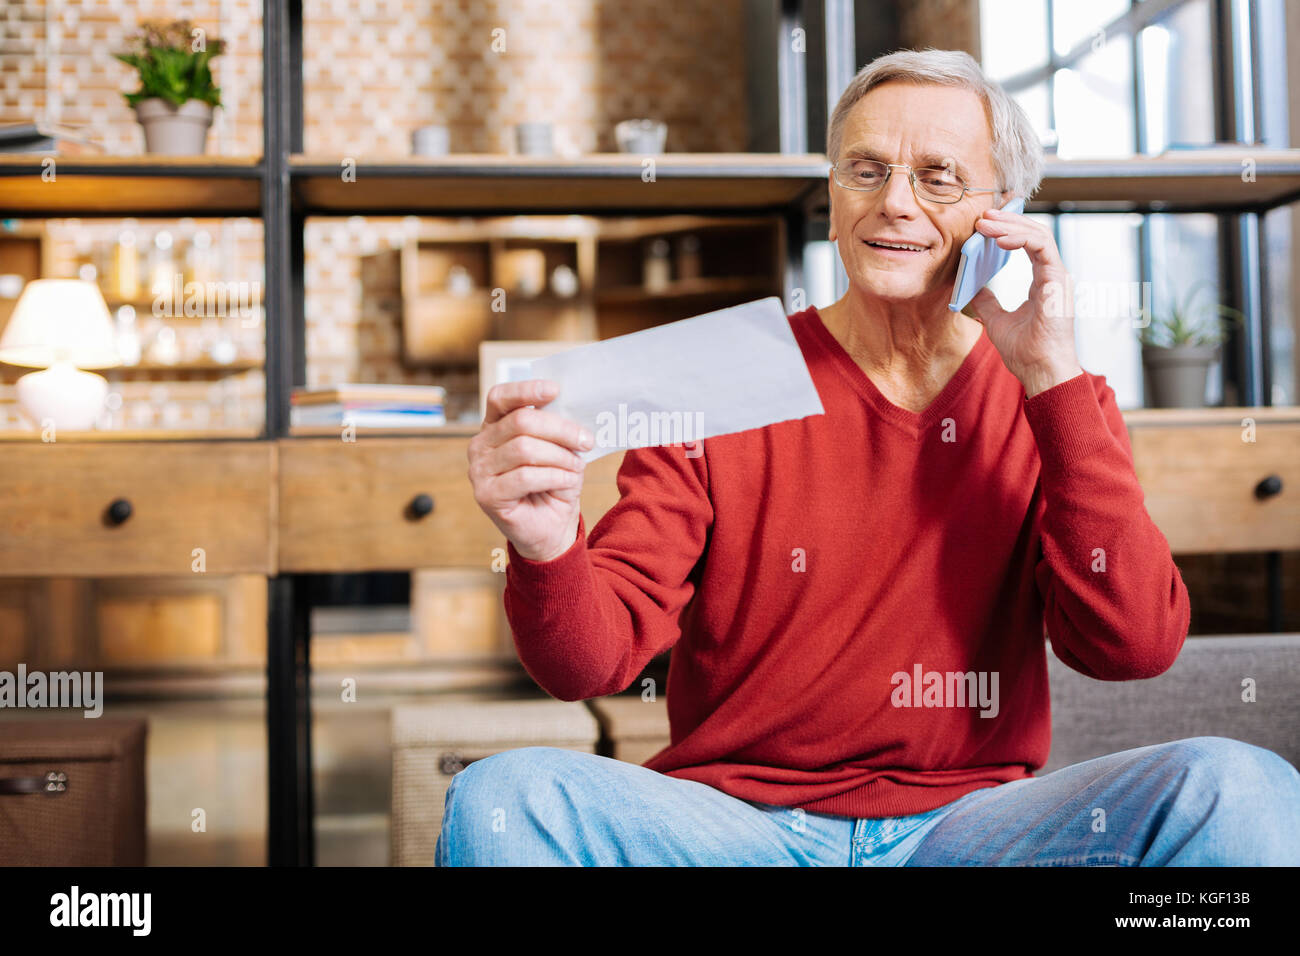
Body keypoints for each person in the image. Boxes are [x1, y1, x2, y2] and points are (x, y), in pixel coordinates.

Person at [442, 48, 1300, 866]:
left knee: (1241, 788)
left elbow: (1133, 647)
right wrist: (546, 543)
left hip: (969, 831)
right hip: (738, 829)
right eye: (865, 169)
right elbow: (592, 663)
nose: (895, 201)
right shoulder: (720, 378)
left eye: (938, 176)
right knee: (502, 798)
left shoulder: (1056, 399)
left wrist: (1053, 379)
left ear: (1001, 211)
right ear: (833, 192)